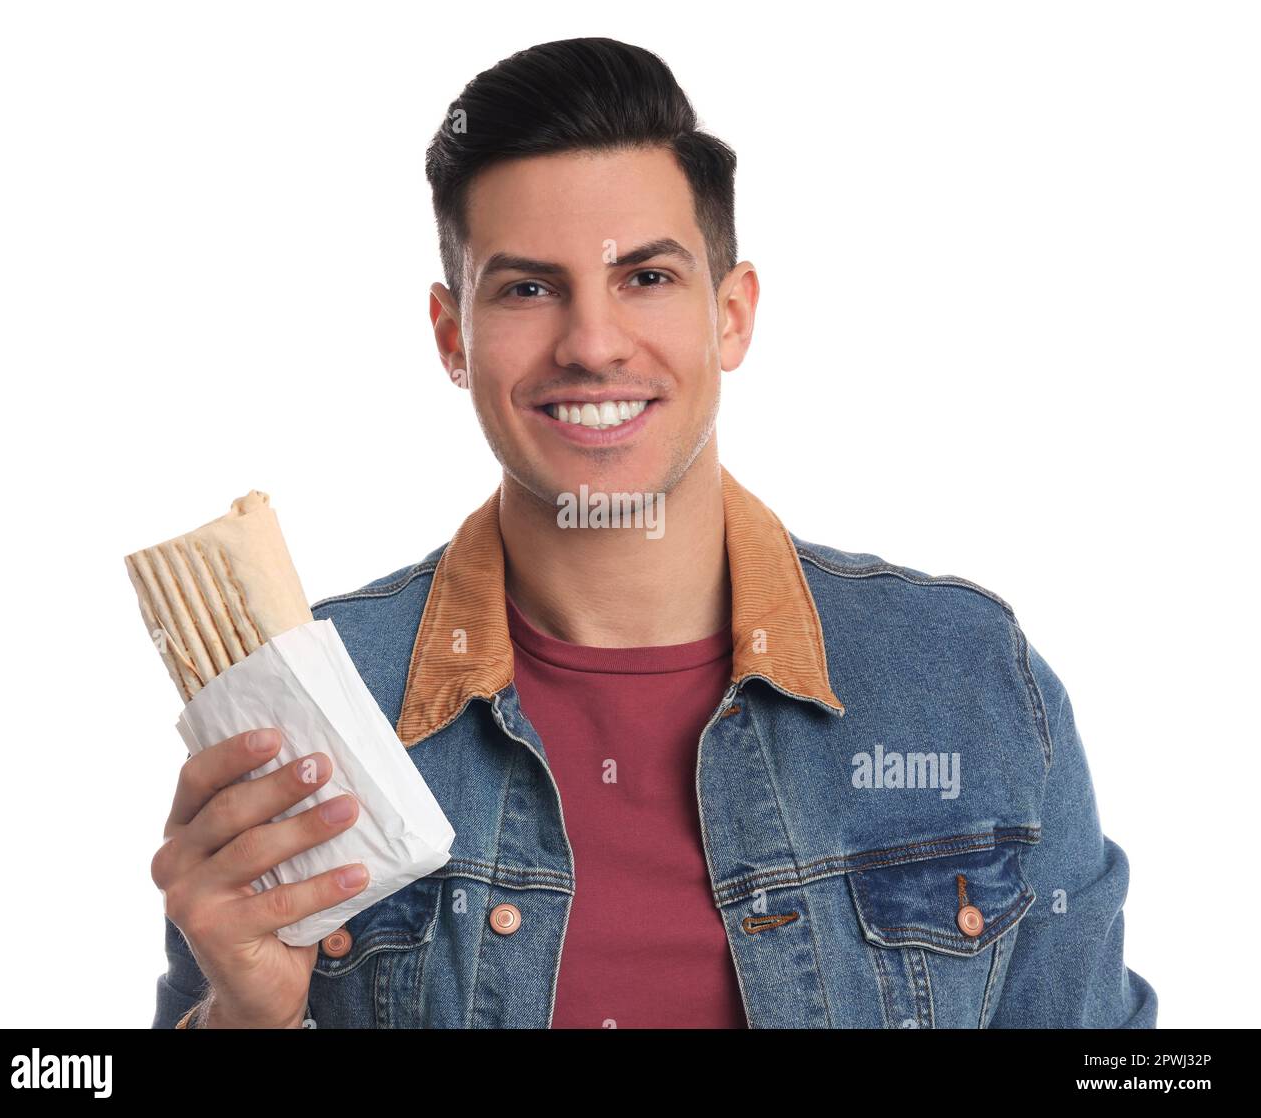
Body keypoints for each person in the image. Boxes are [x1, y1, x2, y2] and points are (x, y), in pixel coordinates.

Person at [151, 36, 1156, 1029]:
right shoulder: (311, 709)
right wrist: (244, 1020)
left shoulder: (962, 682)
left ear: (732, 314)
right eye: (526, 288)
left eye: (646, 277)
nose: (591, 343)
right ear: (452, 335)